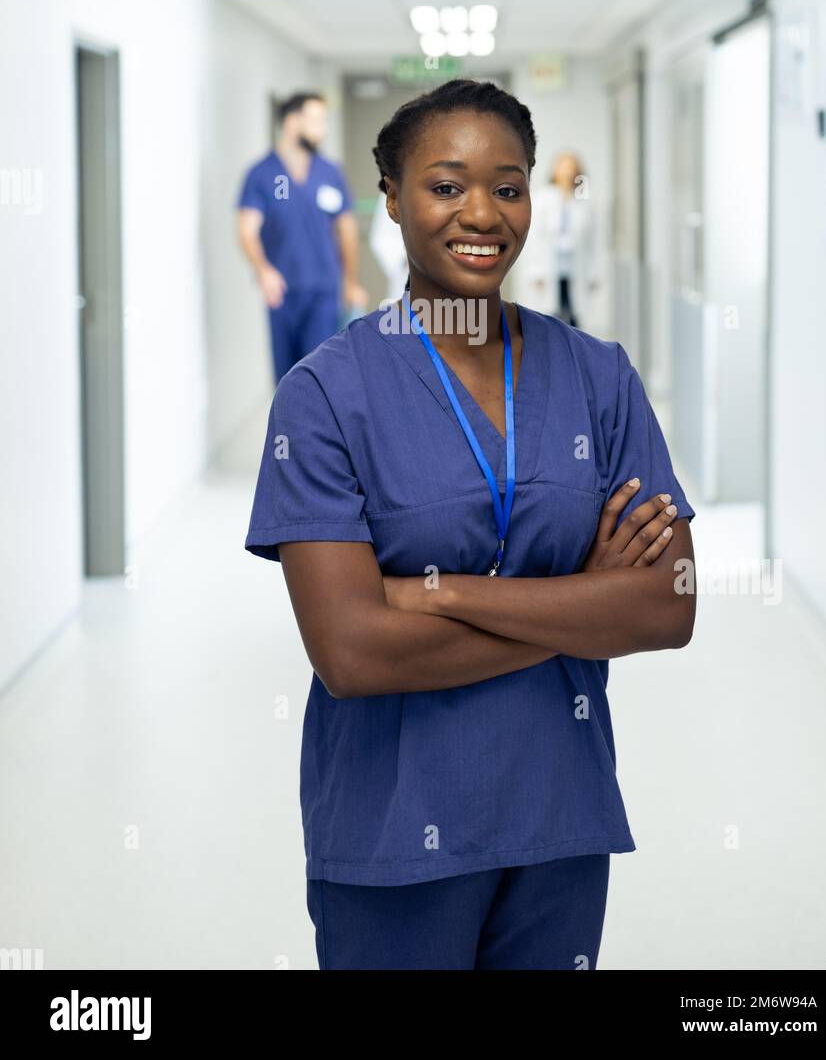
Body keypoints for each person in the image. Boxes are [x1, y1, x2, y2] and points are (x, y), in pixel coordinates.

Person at [243, 78, 696, 971]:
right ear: (392, 201)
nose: (480, 212)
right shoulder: (327, 394)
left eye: (508, 184)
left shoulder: (597, 377)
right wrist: (579, 602)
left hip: (557, 820)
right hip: (389, 832)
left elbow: (664, 609)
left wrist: (430, 595)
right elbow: (351, 653)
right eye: (445, 186)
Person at [235, 92, 368, 383]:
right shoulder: (262, 174)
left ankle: (319, 430)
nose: (324, 129)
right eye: (317, 120)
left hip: (324, 290)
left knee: (320, 374)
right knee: (286, 378)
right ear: (293, 121)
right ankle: (288, 430)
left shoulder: (329, 173)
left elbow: (346, 229)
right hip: (282, 292)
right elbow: (247, 230)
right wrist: (262, 270)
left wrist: (351, 281)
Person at [515, 150, 601, 328]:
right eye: (563, 167)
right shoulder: (542, 199)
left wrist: (594, 272)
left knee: (574, 318)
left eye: (571, 167)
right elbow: (533, 238)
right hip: (548, 270)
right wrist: (535, 270)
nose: (567, 172)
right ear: (555, 170)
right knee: (549, 316)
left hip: (575, 270)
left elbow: (593, 241)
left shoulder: (584, 201)